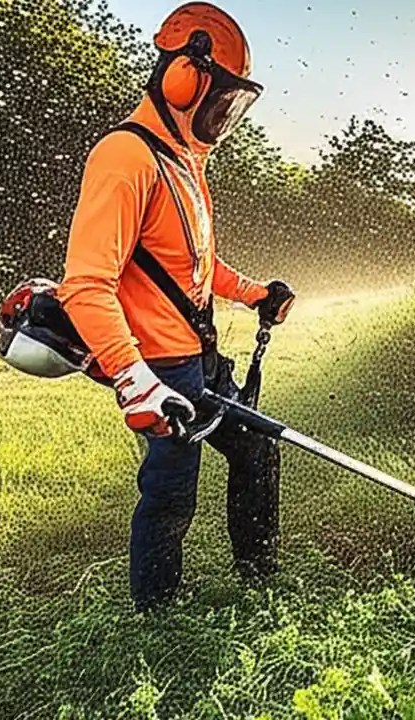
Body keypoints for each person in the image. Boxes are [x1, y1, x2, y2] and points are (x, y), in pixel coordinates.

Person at [57, 2, 294, 612]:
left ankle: (259, 574)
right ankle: (159, 615)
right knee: (171, 493)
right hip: (159, 366)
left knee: (256, 447)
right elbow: (86, 284)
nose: (225, 116)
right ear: (183, 78)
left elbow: (191, 264)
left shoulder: (183, 163)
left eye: (235, 105)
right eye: (221, 98)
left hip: (200, 355)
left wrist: (253, 295)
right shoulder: (126, 157)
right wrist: (134, 379)